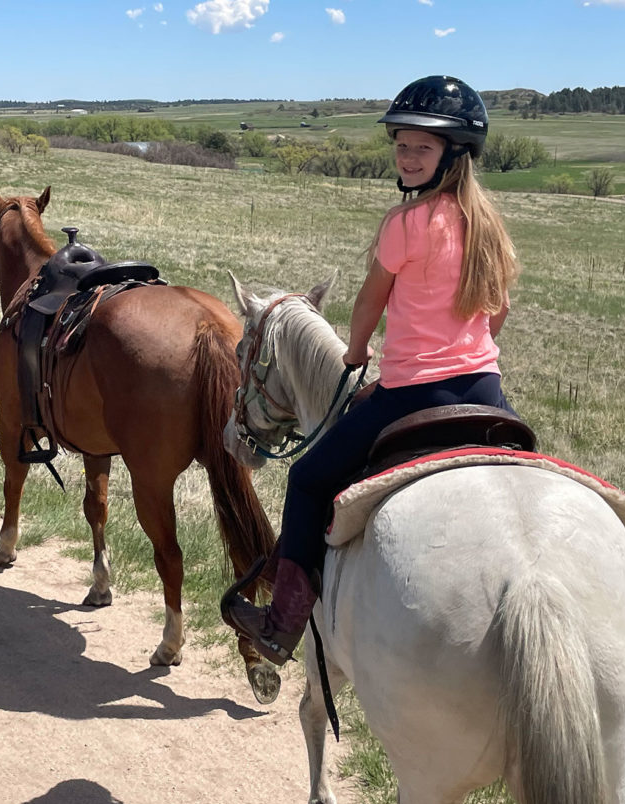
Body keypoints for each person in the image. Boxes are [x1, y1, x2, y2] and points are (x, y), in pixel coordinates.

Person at [222, 75, 519, 668]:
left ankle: (280, 627)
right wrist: (473, 353)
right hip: (487, 389)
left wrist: (356, 351)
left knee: (307, 480)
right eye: (402, 146)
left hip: (411, 393)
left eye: (422, 148)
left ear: (453, 155)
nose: (407, 158)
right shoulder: (487, 224)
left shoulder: (404, 224)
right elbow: (500, 308)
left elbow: (369, 300)